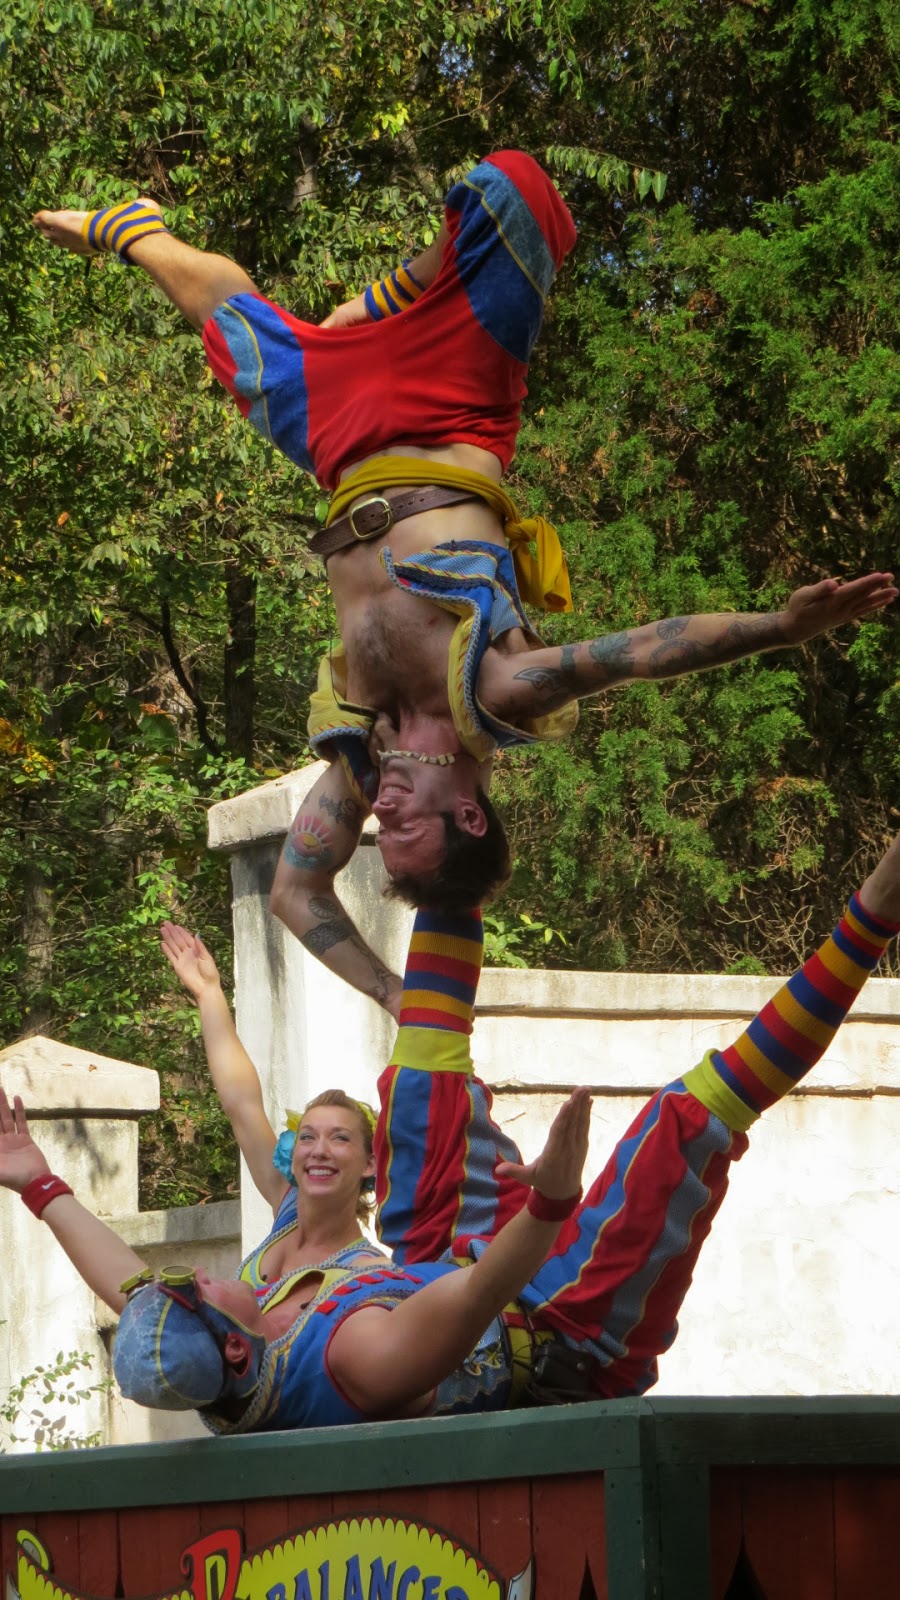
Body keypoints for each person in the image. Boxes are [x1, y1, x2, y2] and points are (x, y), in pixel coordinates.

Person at [31, 169, 898, 916]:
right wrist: (780, 628)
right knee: (516, 194)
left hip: (335, 448)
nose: (384, 818)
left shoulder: (368, 756)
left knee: (235, 323)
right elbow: (643, 652)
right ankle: (391, 301)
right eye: (405, 828)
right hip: (446, 411)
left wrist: (405, 1001)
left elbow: (296, 894)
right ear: (471, 813)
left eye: (382, 832)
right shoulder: (499, 692)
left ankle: (132, 229)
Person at [5, 829, 900, 1426]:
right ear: (234, 1342)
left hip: (448, 1251)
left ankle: (453, 834)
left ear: (364, 1174)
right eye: (197, 1294)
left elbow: (137, 1267)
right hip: (553, 1322)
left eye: (337, 1138)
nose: (193, 1281)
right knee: (689, 1118)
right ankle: (877, 912)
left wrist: (37, 1179)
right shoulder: (355, 1356)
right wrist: (550, 1201)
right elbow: (476, 1301)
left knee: (420, 1079)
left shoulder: (250, 1311)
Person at [159, 920, 385, 1280]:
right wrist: (208, 992)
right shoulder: (287, 1204)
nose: (318, 1149)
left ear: (370, 1164)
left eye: (340, 1137)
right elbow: (241, 1102)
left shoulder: (370, 1274)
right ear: (293, 1153)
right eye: (308, 1136)